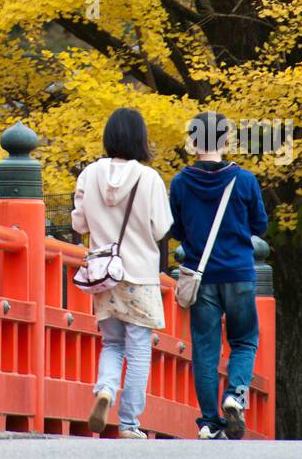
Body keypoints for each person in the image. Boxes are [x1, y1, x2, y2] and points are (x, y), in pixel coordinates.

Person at [71, 106, 173, 440]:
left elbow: (79, 223)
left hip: (104, 275)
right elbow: (161, 228)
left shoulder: (89, 175)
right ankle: (129, 423)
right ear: (140, 139)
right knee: (139, 347)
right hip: (140, 275)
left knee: (112, 343)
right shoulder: (150, 179)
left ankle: (105, 390)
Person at [170, 111, 268, 440]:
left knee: (206, 350)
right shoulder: (244, 180)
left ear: (193, 141)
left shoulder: (182, 182)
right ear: (226, 140)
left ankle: (210, 421)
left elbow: (177, 229)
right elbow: (260, 225)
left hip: (202, 273)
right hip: (239, 271)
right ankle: (235, 395)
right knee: (243, 340)